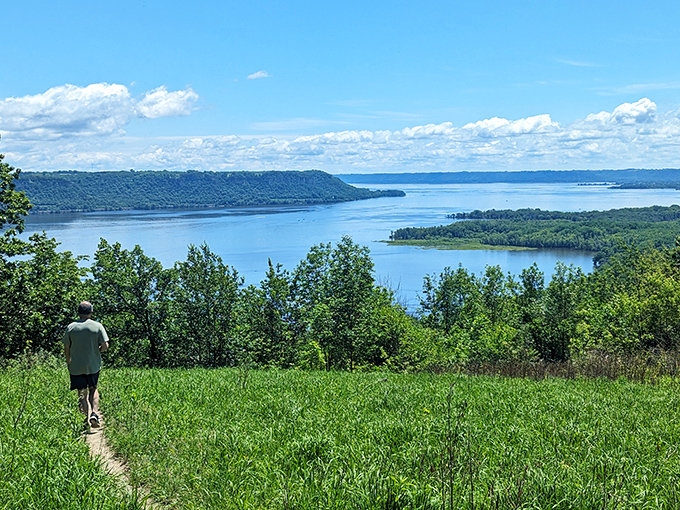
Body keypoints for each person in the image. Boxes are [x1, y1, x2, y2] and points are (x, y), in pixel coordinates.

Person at [63, 301, 109, 428]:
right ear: (91, 312)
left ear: (78, 312)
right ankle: (94, 413)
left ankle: (85, 418)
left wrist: (68, 361)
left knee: (81, 392)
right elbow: (105, 346)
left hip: (76, 365)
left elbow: (66, 347)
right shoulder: (97, 326)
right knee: (93, 389)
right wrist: (97, 350)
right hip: (93, 364)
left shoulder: (71, 327)